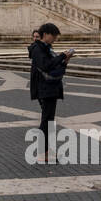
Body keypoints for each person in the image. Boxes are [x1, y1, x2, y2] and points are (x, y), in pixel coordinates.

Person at [31, 22, 74, 164]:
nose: (55, 38)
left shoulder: (47, 48)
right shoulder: (37, 49)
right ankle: (41, 153)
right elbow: (45, 66)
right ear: (46, 34)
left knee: (49, 121)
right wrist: (61, 56)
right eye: (53, 35)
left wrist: (65, 61)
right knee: (46, 121)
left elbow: (53, 67)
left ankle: (48, 152)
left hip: (51, 88)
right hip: (44, 88)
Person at [27, 29, 41, 102]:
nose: (35, 39)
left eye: (37, 37)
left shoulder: (34, 47)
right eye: (34, 37)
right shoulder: (35, 47)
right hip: (37, 74)